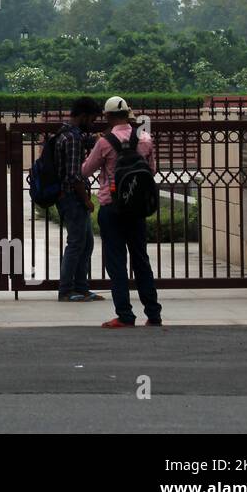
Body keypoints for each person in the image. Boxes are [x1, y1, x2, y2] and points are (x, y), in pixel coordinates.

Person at [82, 96, 163, 328]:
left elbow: (86, 171)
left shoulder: (105, 142)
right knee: (141, 260)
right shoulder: (145, 138)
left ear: (107, 116)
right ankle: (154, 314)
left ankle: (125, 315)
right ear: (128, 114)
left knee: (116, 262)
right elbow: (152, 170)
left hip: (112, 208)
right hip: (137, 209)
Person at [54, 97, 105, 303]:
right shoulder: (72, 138)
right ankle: (66, 290)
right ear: (83, 116)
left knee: (86, 243)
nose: (92, 123)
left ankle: (82, 288)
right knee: (76, 244)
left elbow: (88, 141)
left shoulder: (66, 133)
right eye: (92, 119)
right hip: (72, 197)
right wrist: (87, 199)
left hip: (69, 197)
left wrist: (99, 138)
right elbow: (74, 175)